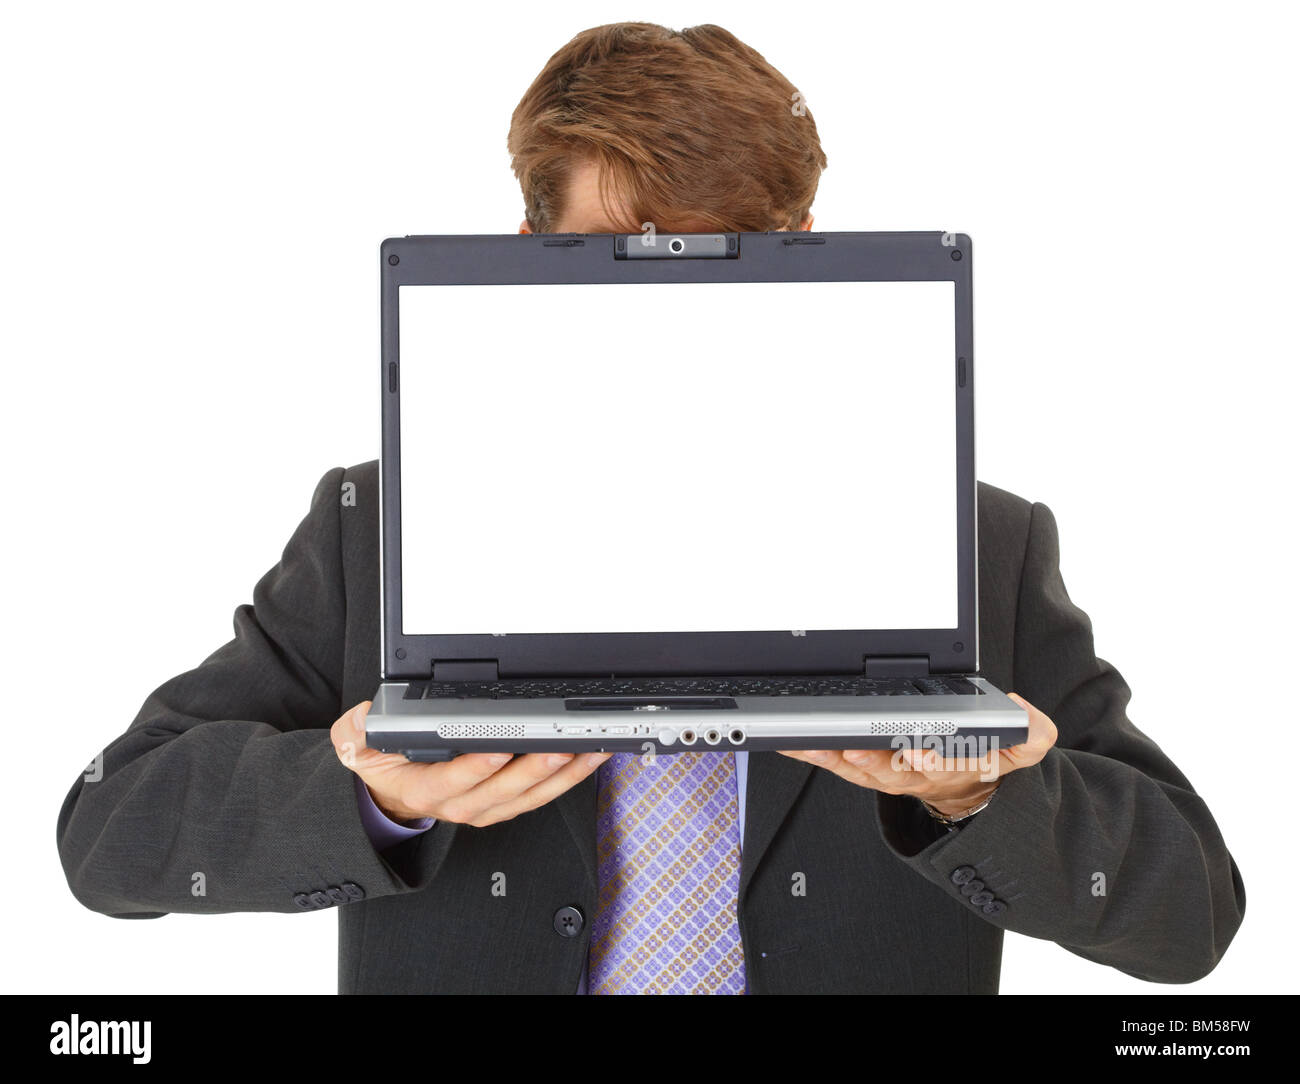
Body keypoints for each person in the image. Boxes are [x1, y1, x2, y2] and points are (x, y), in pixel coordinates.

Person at [56, 21, 1244, 995]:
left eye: (728, 262)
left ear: (805, 257)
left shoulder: (974, 542)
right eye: (617, 263)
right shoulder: (379, 529)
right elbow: (109, 837)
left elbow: (1192, 913)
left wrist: (978, 794)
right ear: (525, 254)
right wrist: (367, 795)